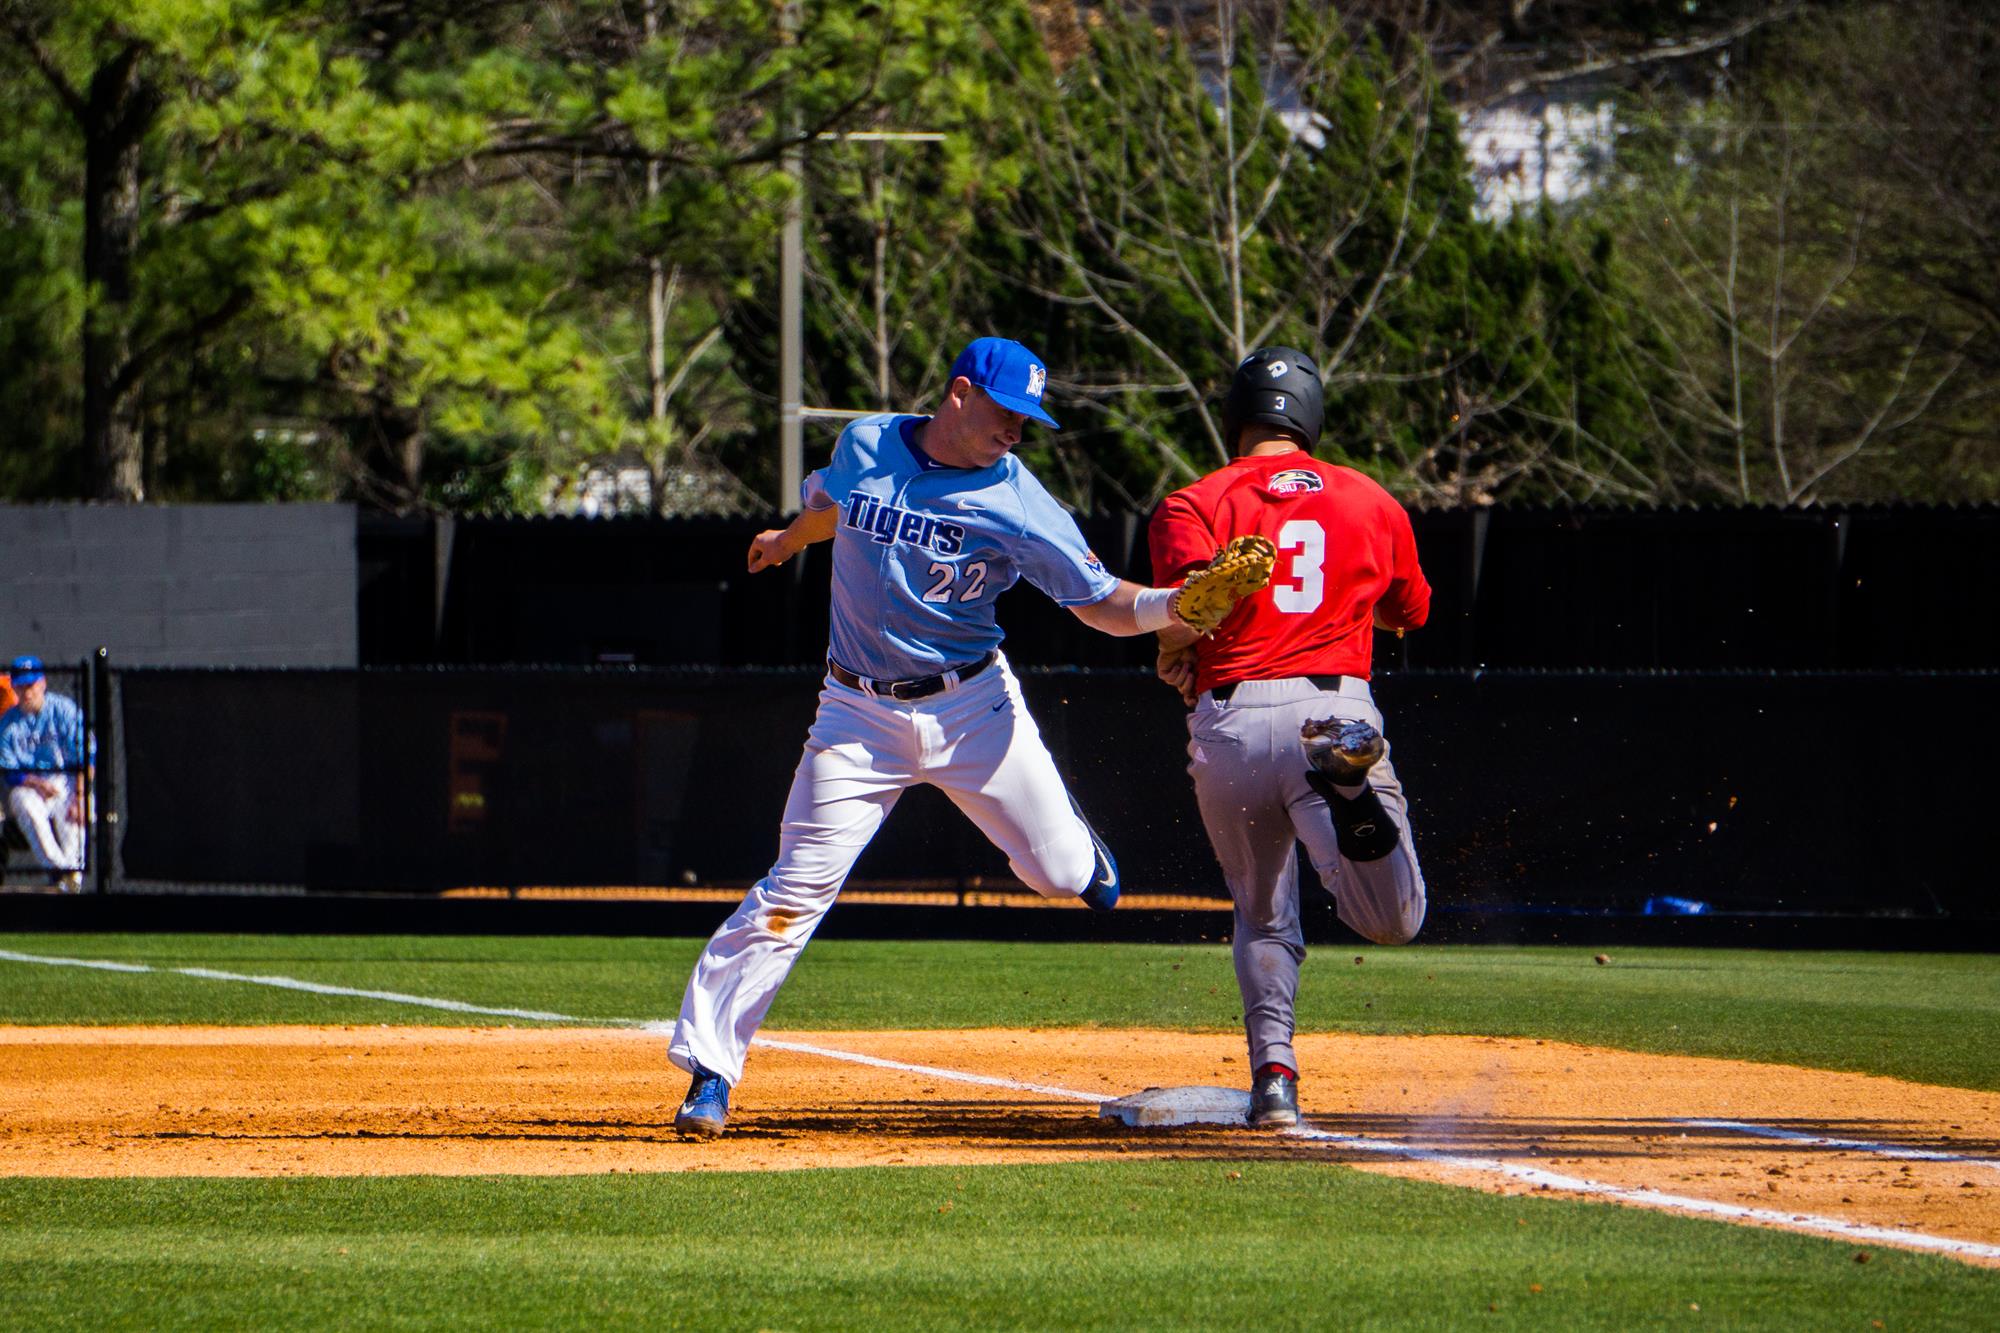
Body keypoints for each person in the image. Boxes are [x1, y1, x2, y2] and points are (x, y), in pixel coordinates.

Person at [668, 336, 1259, 1137]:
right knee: (793, 890)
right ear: (958, 394)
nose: (1016, 431)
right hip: (855, 716)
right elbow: (831, 504)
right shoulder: (867, 441)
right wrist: (784, 541)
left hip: (971, 708)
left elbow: (1098, 601)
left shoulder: (1019, 502)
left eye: (1027, 420)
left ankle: (1080, 856)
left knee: (1058, 875)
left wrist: (1173, 607)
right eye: (1007, 413)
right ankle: (711, 1072)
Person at [1148, 347, 1431, 1129]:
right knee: (1391, 920)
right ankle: (1349, 793)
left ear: (1235, 417)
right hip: (1332, 707)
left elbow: (1183, 606)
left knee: (1264, 916)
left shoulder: (1191, 501)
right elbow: (1412, 612)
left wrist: (1178, 647)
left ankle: (1274, 1078)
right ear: (1309, 416)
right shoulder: (1371, 499)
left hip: (1231, 719)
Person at [0, 657, 89, 890]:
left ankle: (72, 881)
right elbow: (10, 772)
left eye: (31, 685)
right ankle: (61, 870)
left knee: (74, 814)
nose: (26, 692)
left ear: (42, 683)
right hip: (32, 786)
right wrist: (37, 783)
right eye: (21, 686)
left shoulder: (63, 709)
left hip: (67, 779)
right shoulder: (9, 723)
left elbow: (86, 757)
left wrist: (80, 797)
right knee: (22, 801)